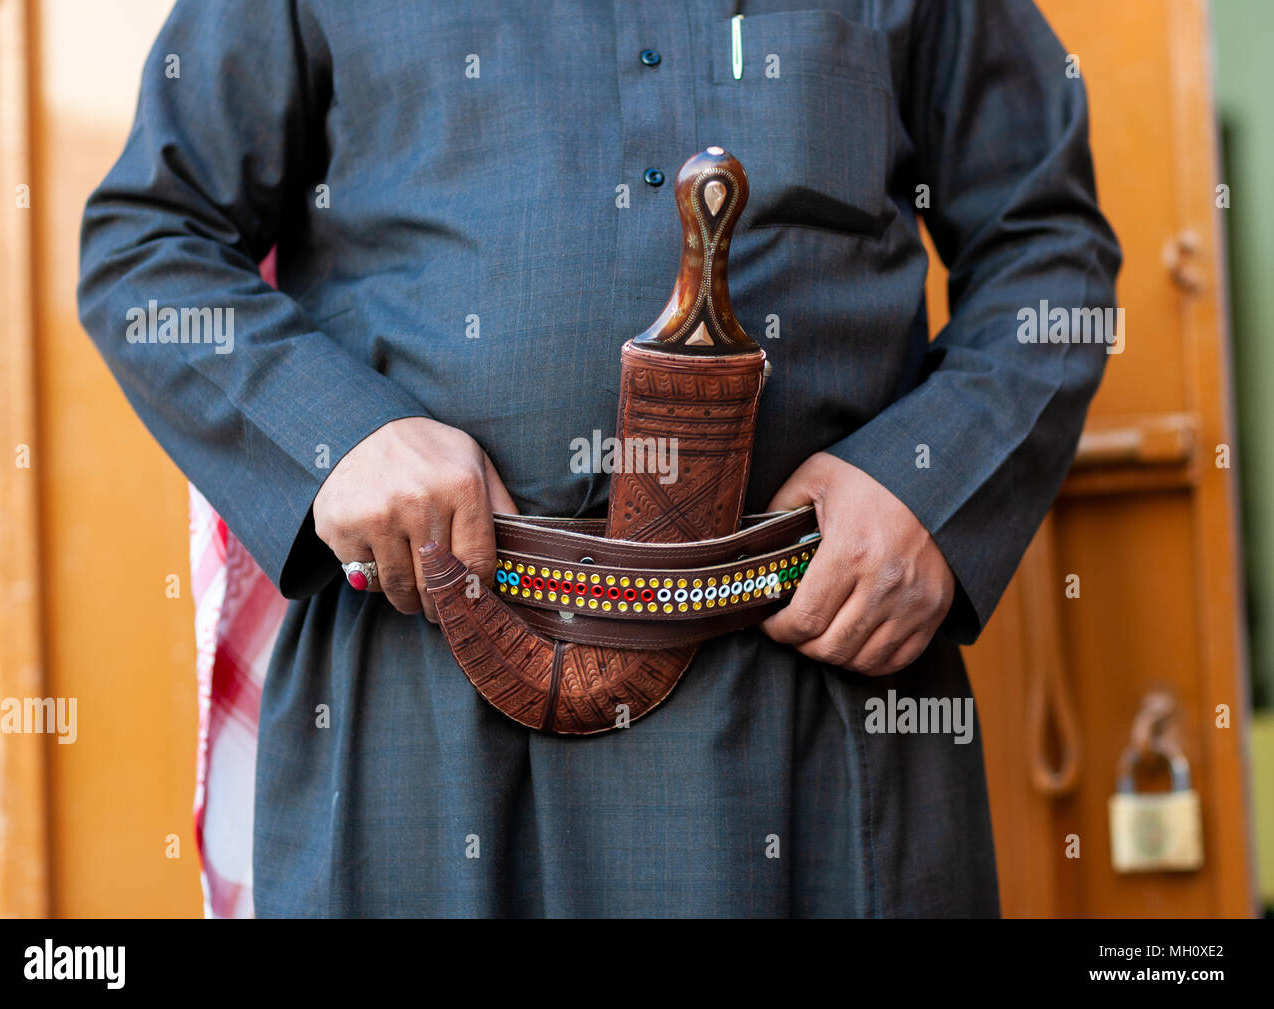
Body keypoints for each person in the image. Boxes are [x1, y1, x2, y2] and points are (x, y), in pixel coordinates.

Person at [78, 0, 1120, 917]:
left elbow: (1048, 254)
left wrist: (932, 485)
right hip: (425, 700)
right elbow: (148, 248)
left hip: (814, 691)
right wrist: (335, 434)